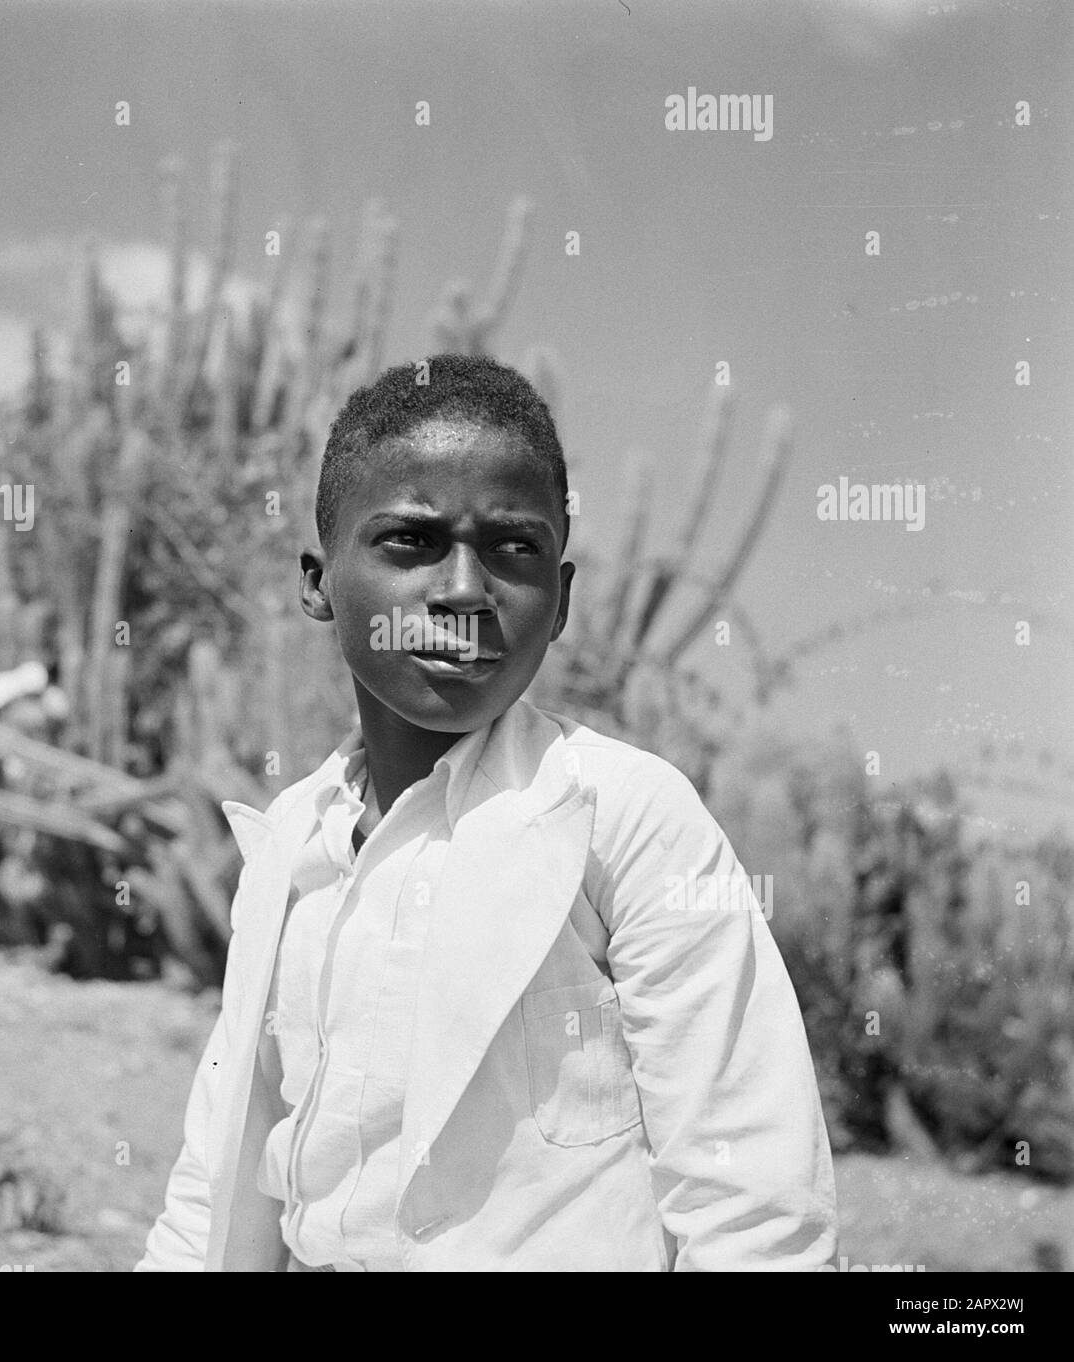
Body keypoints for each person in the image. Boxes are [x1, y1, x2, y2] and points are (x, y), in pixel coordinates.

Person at [136, 354, 837, 1271]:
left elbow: (752, 1204)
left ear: (561, 602)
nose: (465, 590)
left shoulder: (619, 816)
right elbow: (218, 1184)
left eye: (514, 549)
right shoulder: (291, 845)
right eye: (411, 542)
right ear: (318, 582)